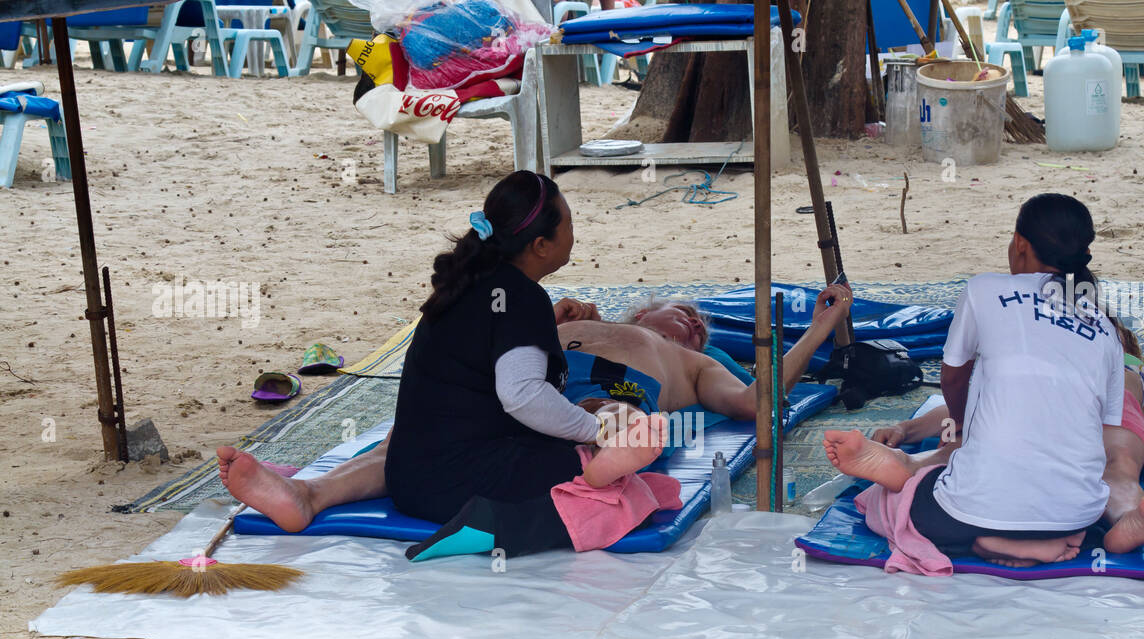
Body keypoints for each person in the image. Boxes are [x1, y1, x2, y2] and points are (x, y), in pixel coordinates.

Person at [219, 171, 851, 544]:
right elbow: (522, 393)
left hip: (427, 465)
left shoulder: (479, 284)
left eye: (699, 325)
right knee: (603, 463)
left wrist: (820, 327)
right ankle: (308, 493)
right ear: (543, 244)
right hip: (465, 474)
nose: (692, 321)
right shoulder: (538, 307)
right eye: (682, 310)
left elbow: (755, 402)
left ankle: (309, 494)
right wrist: (591, 424)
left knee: (441, 433)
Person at [824, 193, 1144, 567]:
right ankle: (1038, 540)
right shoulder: (1103, 328)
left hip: (969, 510)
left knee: (892, 500)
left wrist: (962, 426)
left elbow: (953, 378)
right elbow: (1102, 426)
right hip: (1073, 515)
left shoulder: (984, 289)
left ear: (1019, 243)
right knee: (1072, 497)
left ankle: (914, 476)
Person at [835, 319, 1144, 554]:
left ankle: (911, 464)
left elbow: (960, 411)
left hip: (1060, 411)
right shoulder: (1143, 381)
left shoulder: (1138, 376)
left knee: (977, 442)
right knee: (1117, 467)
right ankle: (1125, 517)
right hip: (1092, 413)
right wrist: (904, 429)